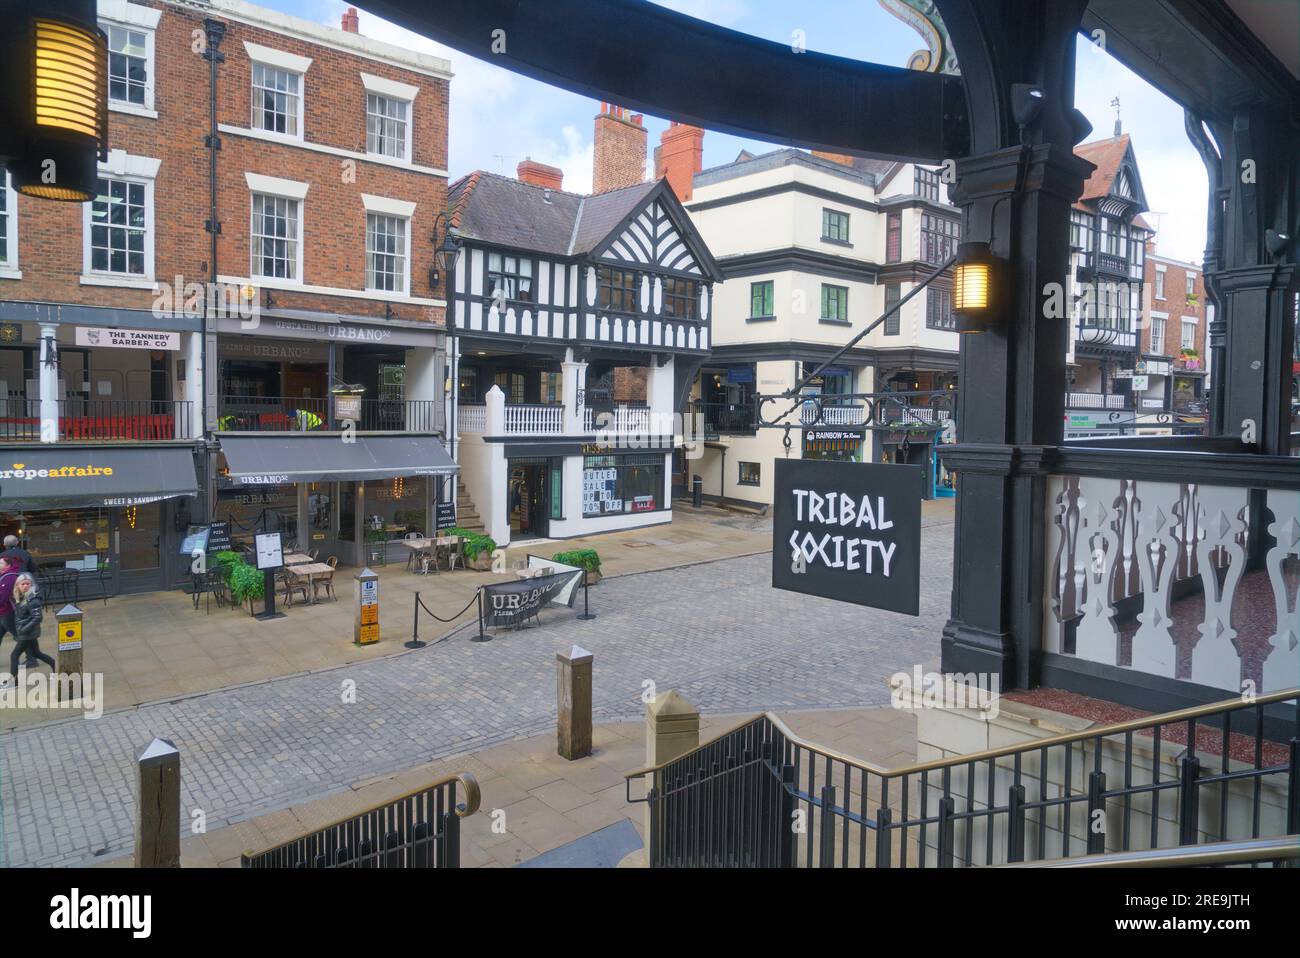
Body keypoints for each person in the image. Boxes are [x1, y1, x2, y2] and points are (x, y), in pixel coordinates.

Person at [8, 573, 54, 681]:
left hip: (27, 634)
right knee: (37, 653)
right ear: (17, 585)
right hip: (28, 633)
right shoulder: (22, 597)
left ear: (31, 585)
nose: (25, 586)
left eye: (27, 583)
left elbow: (37, 617)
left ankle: (13, 682)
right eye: (22, 584)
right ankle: (56, 667)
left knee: (14, 656)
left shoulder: (32, 600)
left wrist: (23, 630)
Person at [0, 556, 18, 653]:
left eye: (1, 563)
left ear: (8, 566)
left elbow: (3, 597)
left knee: (20, 636)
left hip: (7, 612)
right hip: (2, 612)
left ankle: (31, 658)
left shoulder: (9, 577)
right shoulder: (4, 575)